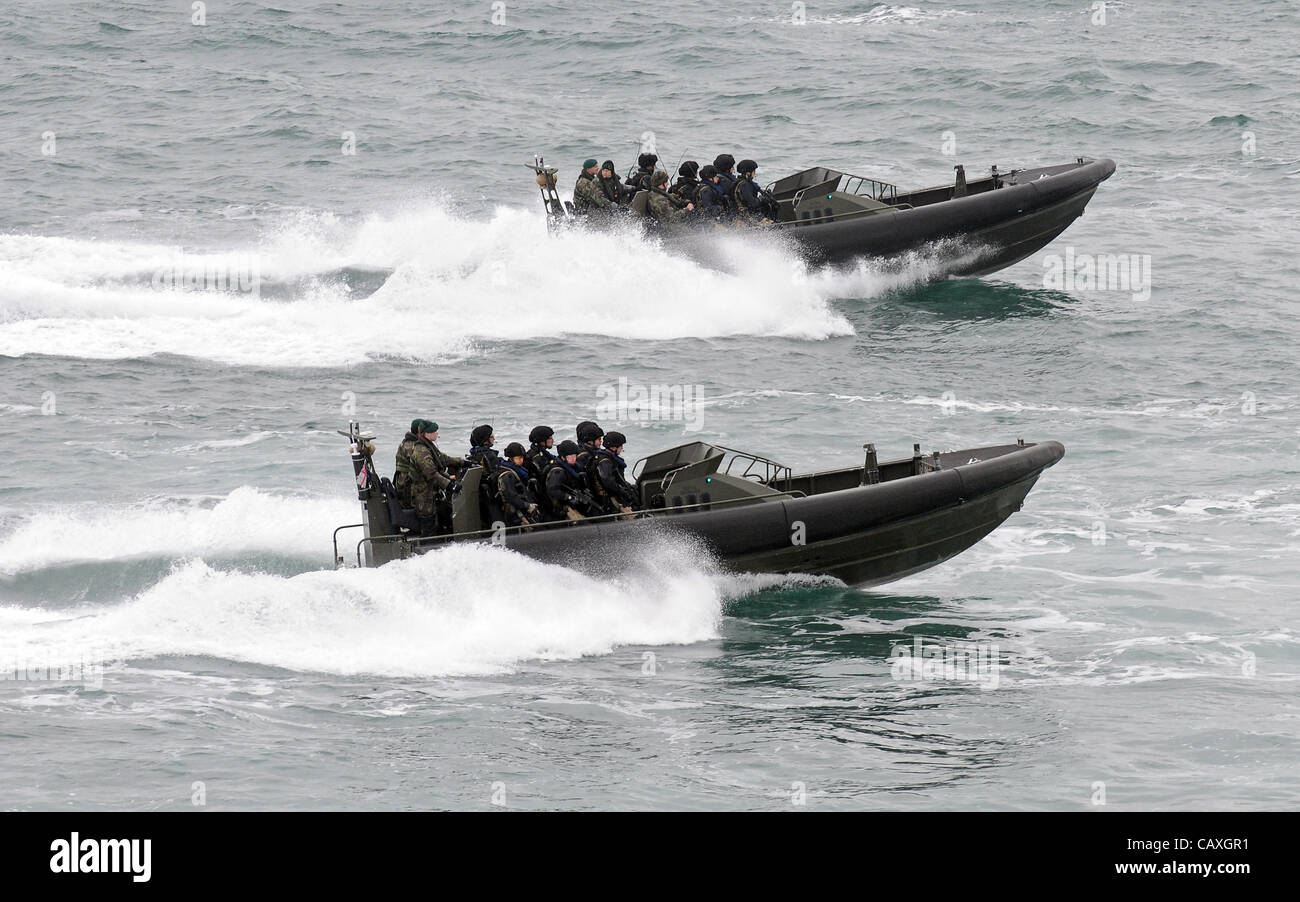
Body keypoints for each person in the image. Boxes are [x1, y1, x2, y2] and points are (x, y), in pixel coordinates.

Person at [393, 418, 472, 536]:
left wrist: (462, 462)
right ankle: (427, 546)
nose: (437, 433)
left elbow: (442, 458)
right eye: (435, 431)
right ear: (427, 434)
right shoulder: (421, 451)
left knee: (436, 518)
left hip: (428, 491)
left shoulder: (427, 446)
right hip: (423, 494)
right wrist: (449, 484)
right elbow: (431, 473)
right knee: (428, 524)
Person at [587, 430, 640, 517]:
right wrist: (621, 490)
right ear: (614, 448)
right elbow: (607, 481)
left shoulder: (607, 458)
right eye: (620, 446)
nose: (622, 448)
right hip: (610, 500)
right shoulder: (605, 461)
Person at [545, 440, 597, 521]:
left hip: (575, 502)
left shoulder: (575, 467)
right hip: (563, 506)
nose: (573, 459)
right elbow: (552, 490)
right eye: (570, 457)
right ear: (563, 457)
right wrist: (569, 497)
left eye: (574, 456)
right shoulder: (558, 471)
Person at [495, 442, 541, 528]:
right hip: (515, 512)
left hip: (523, 507)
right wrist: (527, 505)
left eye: (522, 457)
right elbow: (511, 497)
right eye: (517, 458)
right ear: (511, 459)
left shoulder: (520, 471)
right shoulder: (507, 474)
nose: (520, 460)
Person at [467, 424, 503, 526]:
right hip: (492, 495)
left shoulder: (473, 455)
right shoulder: (489, 455)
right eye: (491, 437)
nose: (494, 438)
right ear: (485, 440)